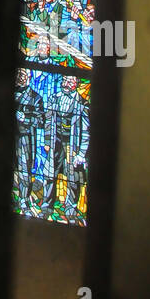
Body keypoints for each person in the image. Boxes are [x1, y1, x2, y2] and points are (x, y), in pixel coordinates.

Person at [43, 75, 89, 220]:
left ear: (76, 83)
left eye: (70, 81)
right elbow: (48, 120)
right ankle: (46, 206)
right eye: (64, 80)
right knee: (49, 173)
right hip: (55, 142)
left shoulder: (83, 104)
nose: (65, 83)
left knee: (73, 177)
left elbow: (86, 131)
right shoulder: (54, 98)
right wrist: (47, 141)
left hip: (72, 145)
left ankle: (70, 209)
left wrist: (81, 154)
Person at [14, 68, 45, 214]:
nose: (20, 77)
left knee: (24, 171)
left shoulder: (35, 97)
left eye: (23, 74)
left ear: (29, 77)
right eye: (18, 73)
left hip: (25, 139)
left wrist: (24, 118)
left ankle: (24, 201)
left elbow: (40, 121)